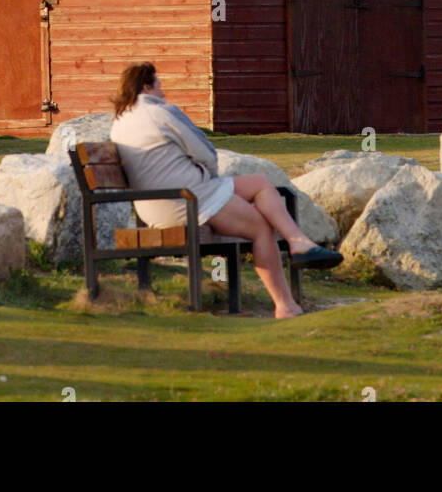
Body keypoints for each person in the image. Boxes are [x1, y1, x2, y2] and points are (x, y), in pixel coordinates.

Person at [109, 61, 342, 320]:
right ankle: (285, 306)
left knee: (259, 182)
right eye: (159, 84)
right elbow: (205, 151)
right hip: (189, 200)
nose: (163, 92)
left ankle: (298, 242)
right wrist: (208, 171)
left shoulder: (120, 122)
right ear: (146, 86)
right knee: (261, 229)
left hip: (158, 206)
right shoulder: (162, 113)